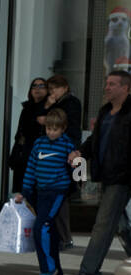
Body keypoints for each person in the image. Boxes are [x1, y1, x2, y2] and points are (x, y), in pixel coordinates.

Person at [65, 70, 131, 275]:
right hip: (106, 175)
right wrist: (80, 152)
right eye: (107, 83)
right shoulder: (105, 112)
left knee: (103, 224)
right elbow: (96, 139)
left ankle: (89, 272)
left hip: (122, 176)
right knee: (120, 225)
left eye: (112, 84)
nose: (107, 87)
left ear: (125, 88)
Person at [15, 108, 77, 275]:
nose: (51, 132)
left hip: (57, 192)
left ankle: (48, 269)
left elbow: (79, 167)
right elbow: (31, 169)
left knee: (41, 227)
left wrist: (76, 174)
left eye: (55, 129)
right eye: (49, 128)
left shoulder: (67, 145)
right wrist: (25, 192)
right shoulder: (39, 143)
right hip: (40, 192)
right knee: (50, 230)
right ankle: (57, 271)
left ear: (63, 128)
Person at [45, 75, 83, 249]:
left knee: (60, 197)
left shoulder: (70, 103)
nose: (52, 92)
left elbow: (67, 127)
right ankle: (61, 236)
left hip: (64, 153)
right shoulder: (63, 103)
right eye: (51, 88)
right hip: (61, 153)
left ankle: (64, 237)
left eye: (55, 88)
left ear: (64, 88)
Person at [10, 77, 52, 195]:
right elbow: (20, 133)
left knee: (34, 192)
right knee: (22, 193)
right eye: (34, 86)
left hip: (39, 156)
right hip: (23, 154)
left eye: (41, 86)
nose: (37, 89)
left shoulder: (49, 108)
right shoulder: (27, 108)